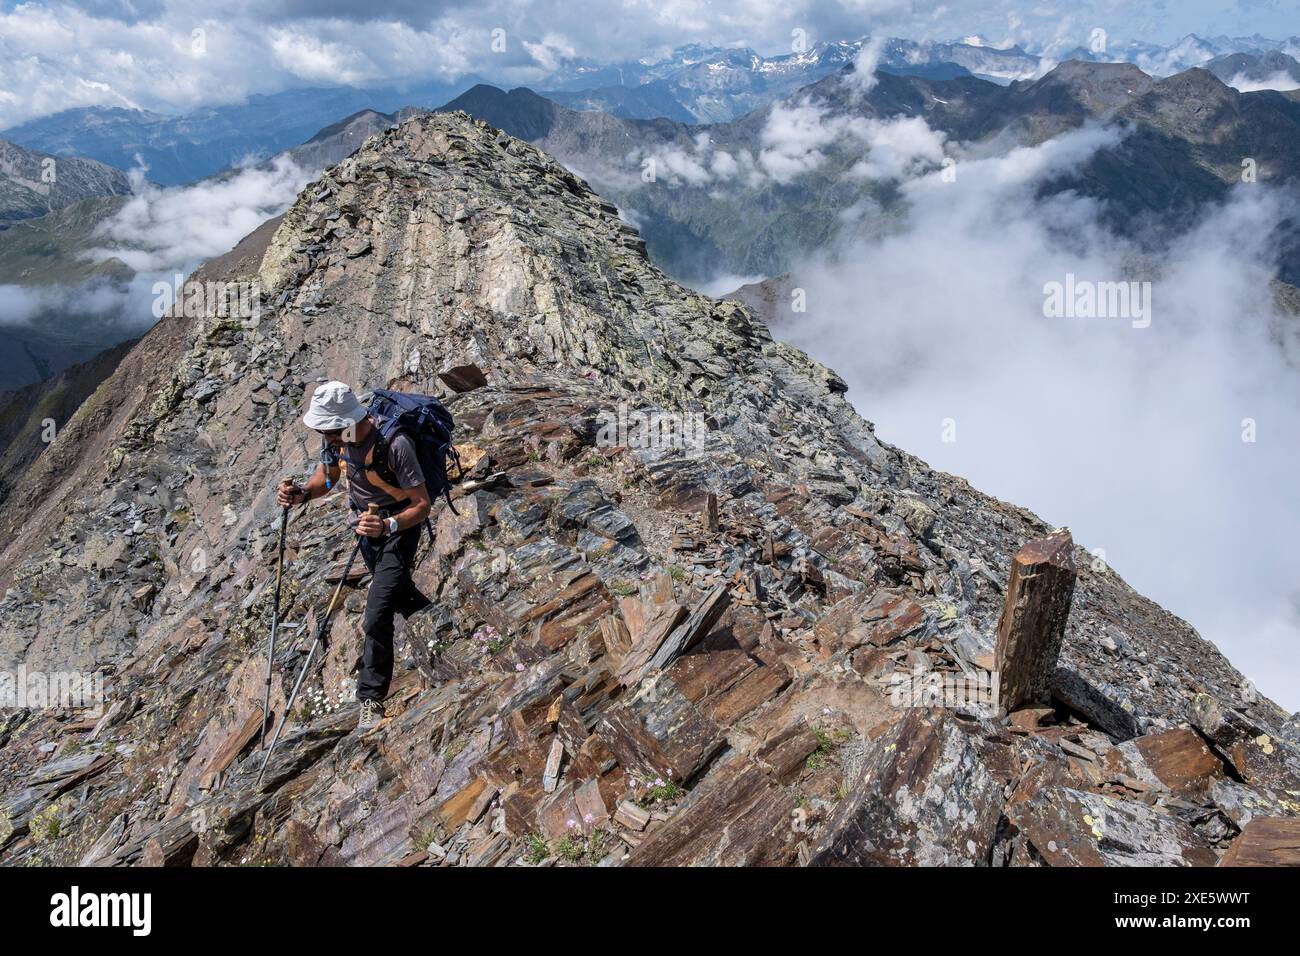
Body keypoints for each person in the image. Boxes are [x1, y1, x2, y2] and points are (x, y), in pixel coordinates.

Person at [278, 381, 432, 731]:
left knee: (376, 613)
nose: (325, 435)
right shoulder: (338, 437)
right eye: (322, 429)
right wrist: (302, 494)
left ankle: (371, 700)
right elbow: (328, 479)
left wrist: (389, 525)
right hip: (366, 531)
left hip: (398, 529)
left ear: (347, 419)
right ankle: (445, 630)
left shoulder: (395, 444)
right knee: (398, 595)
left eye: (327, 429)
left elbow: (422, 505)